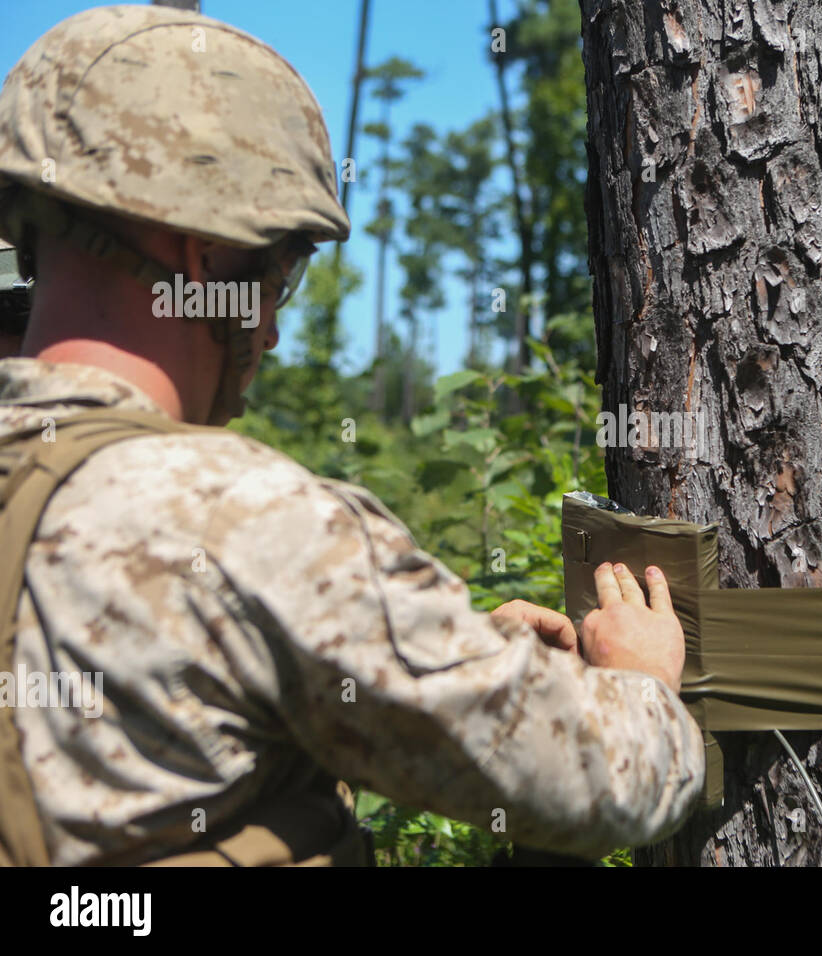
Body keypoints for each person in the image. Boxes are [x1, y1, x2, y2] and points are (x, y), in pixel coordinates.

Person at [0, 5, 703, 867]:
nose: (272, 331)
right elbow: (613, 782)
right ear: (201, 258)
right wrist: (638, 682)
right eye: (281, 275)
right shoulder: (241, 518)